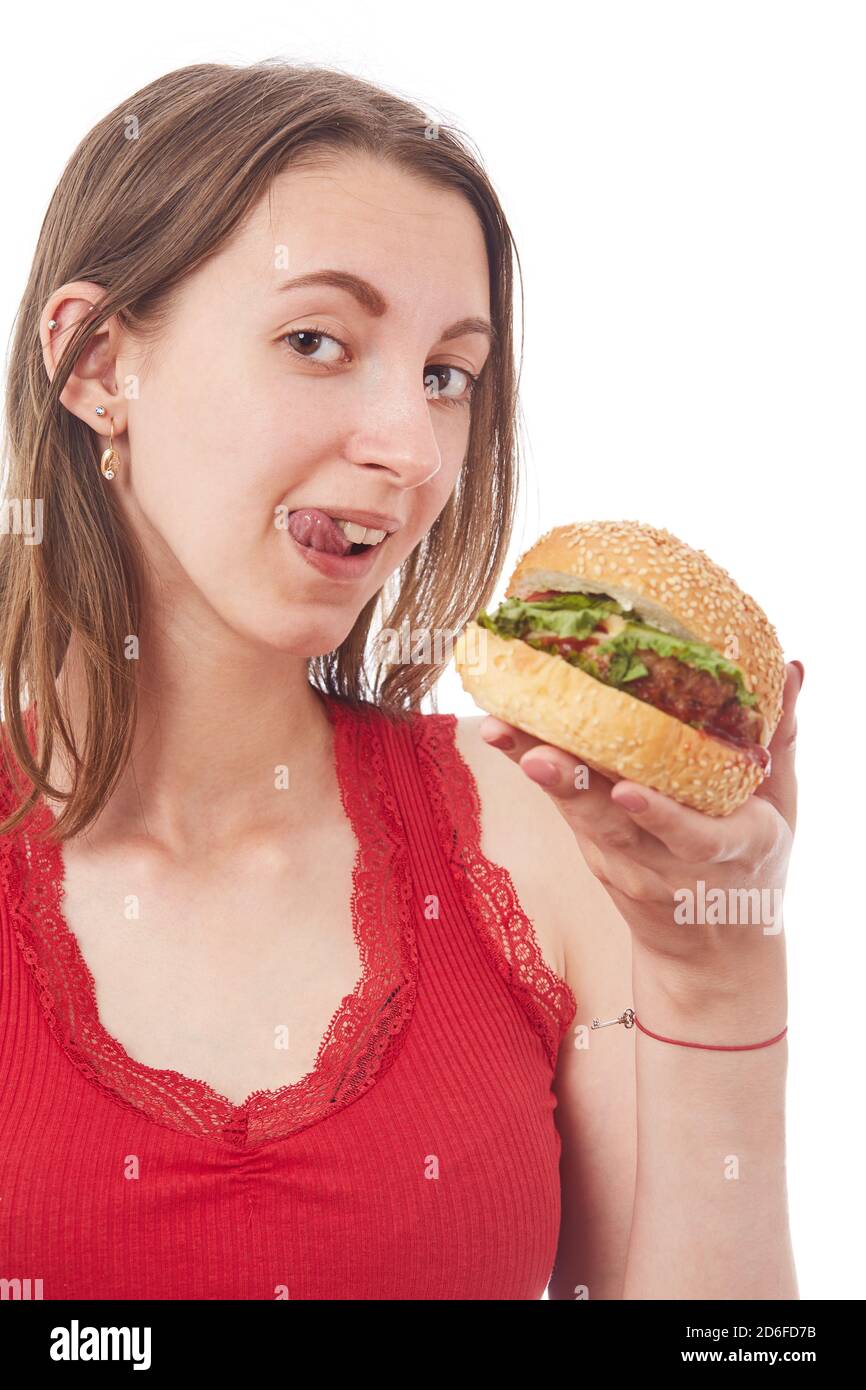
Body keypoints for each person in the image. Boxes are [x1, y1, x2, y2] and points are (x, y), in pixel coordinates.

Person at [0, 60, 801, 1301]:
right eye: (316, 341)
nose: (410, 450)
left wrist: (716, 971)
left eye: (446, 374)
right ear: (100, 363)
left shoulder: (545, 842)